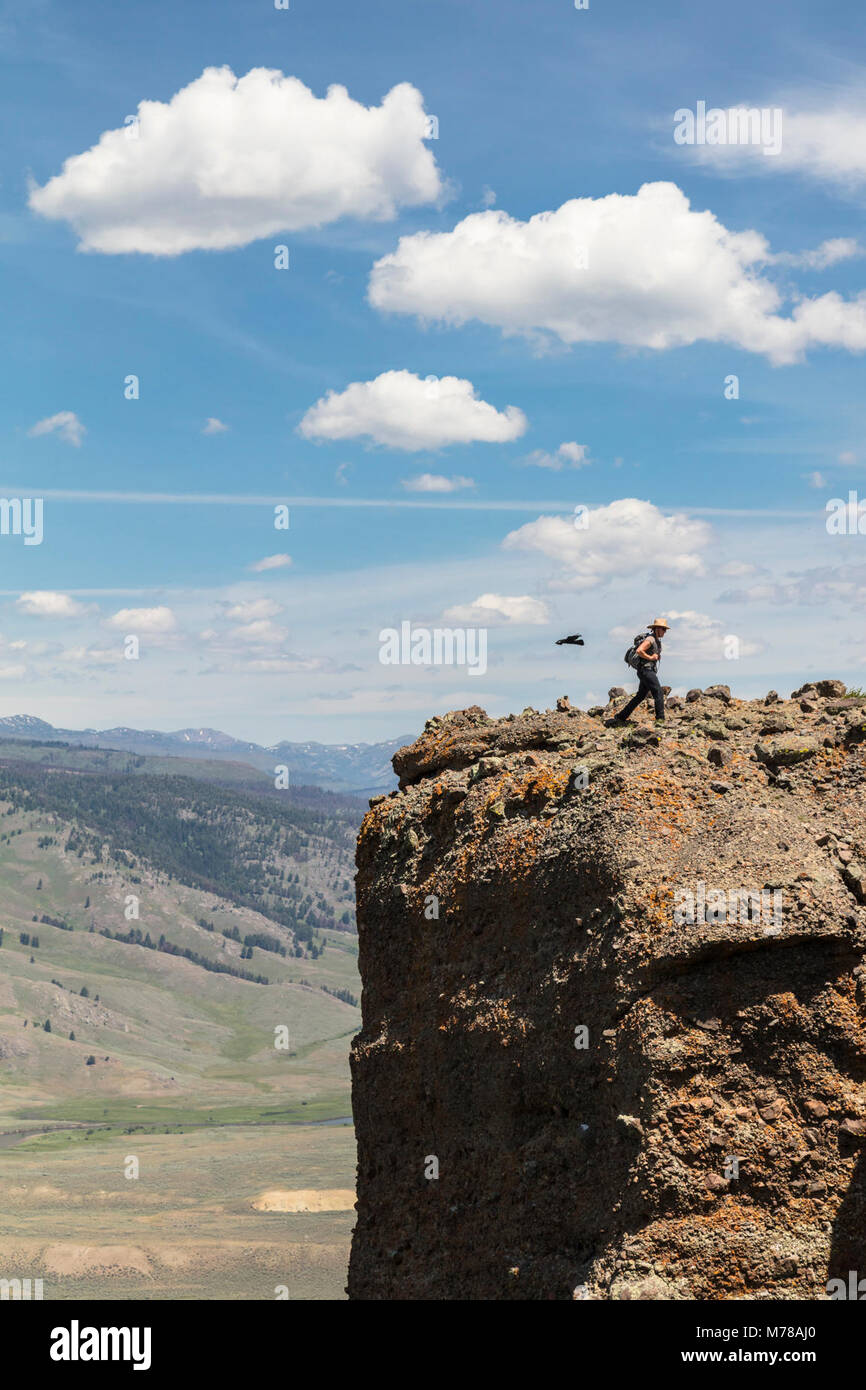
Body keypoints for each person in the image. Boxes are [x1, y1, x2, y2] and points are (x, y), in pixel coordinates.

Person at [615, 618, 669, 723]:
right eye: (663, 629)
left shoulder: (656, 640)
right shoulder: (651, 639)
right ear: (657, 628)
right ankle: (660, 719)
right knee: (658, 692)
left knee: (640, 695)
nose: (664, 632)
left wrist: (656, 657)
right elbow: (640, 650)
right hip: (646, 671)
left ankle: (621, 716)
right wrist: (651, 658)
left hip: (645, 671)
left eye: (665, 629)